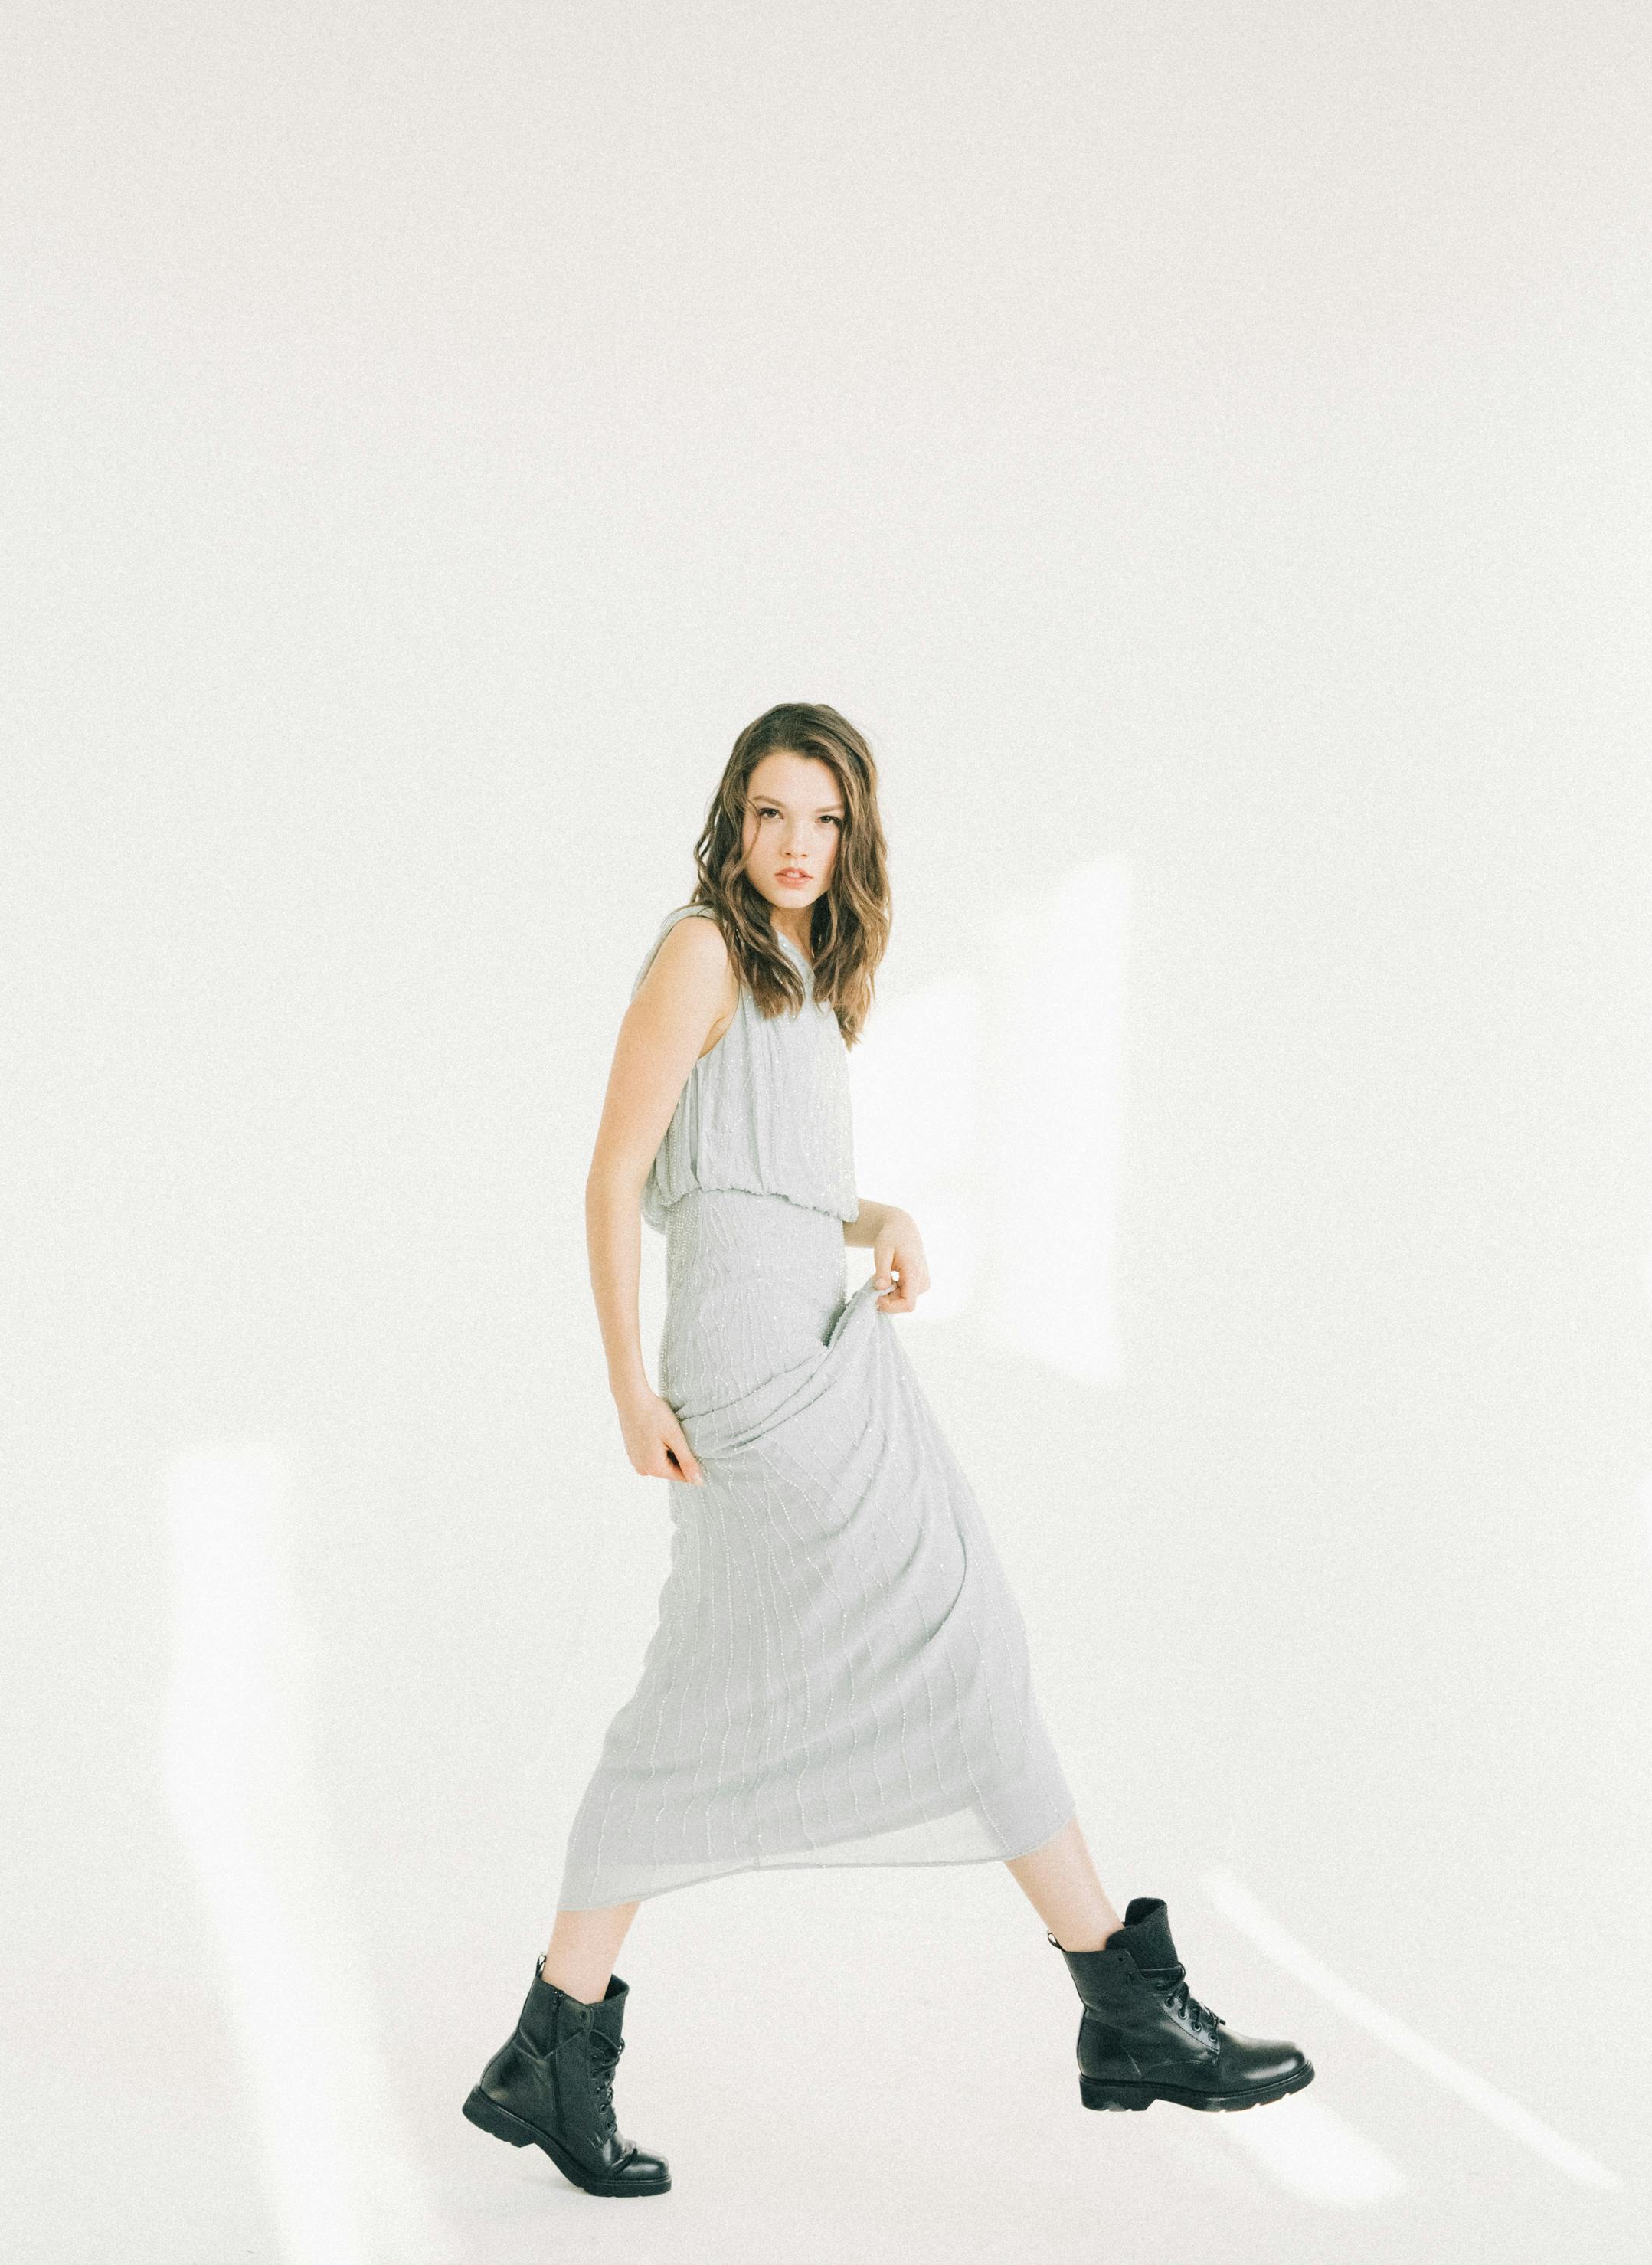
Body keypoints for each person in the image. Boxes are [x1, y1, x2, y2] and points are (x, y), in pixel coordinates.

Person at [463, 702, 1312, 2196]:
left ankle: (553, 2043)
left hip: (822, 1346)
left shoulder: (800, 971)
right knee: (952, 1628)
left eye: (823, 820)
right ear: (733, 819)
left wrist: (879, 1217)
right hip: (743, 1379)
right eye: (772, 813)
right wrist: (622, 1387)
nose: (795, 844)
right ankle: (1121, 2003)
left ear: (851, 838)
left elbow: (767, 1179)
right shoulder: (702, 950)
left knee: (723, 1693)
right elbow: (611, 1176)